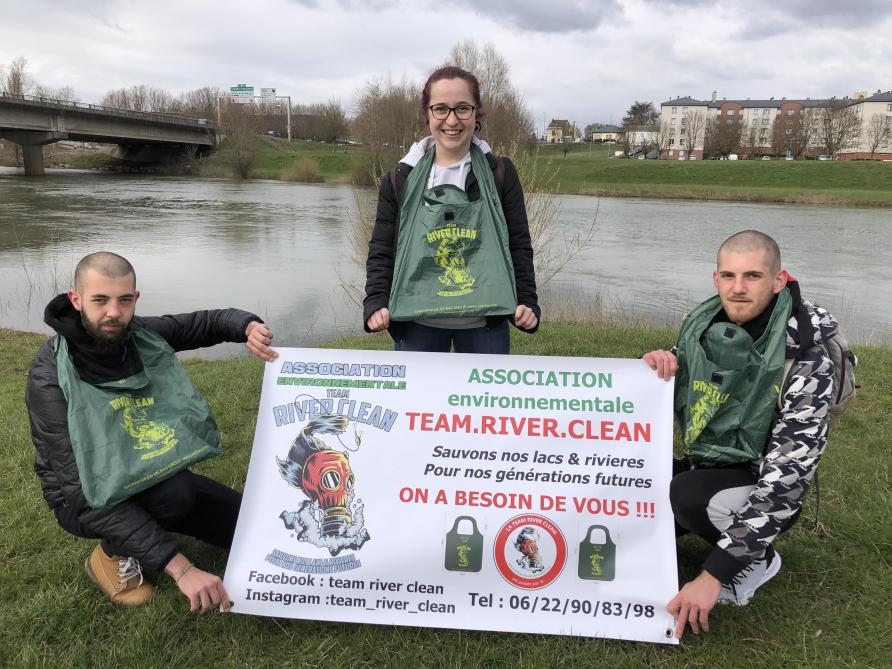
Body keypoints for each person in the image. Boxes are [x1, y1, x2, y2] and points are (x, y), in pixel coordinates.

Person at [25, 252, 277, 612]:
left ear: (135, 299)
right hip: (81, 497)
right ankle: (109, 557)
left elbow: (207, 322)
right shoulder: (49, 375)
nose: (114, 312)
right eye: (100, 300)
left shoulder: (138, 334)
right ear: (76, 300)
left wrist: (249, 327)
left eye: (124, 300)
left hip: (144, 467)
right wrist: (182, 567)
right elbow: (82, 492)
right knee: (176, 494)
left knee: (256, 529)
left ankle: (153, 524)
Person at [643, 230, 842, 639]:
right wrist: (664, 363)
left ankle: (757, 562)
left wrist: (711, 576)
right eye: (728, 276)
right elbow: (694, 376)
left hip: (765, 482)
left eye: (752, 276)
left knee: (687, 495)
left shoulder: (806, 356)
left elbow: (788, 481)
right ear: (715, 279)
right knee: (635, 479)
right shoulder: (703, 327)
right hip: (709, 464)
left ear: (779, 280)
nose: (738, 289)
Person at [363, 65, 540, 354]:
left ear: (476, 113)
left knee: (486, 401)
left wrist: (527, 302)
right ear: (427, 114)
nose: (452, 120)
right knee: (416, 401)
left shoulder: (500, 174)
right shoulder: (400, 178)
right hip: (417, 324)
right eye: (441, 109)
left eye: (462, 108)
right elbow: (382, 249)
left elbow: (519, 244)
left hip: (485, 326)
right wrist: (375, 302)